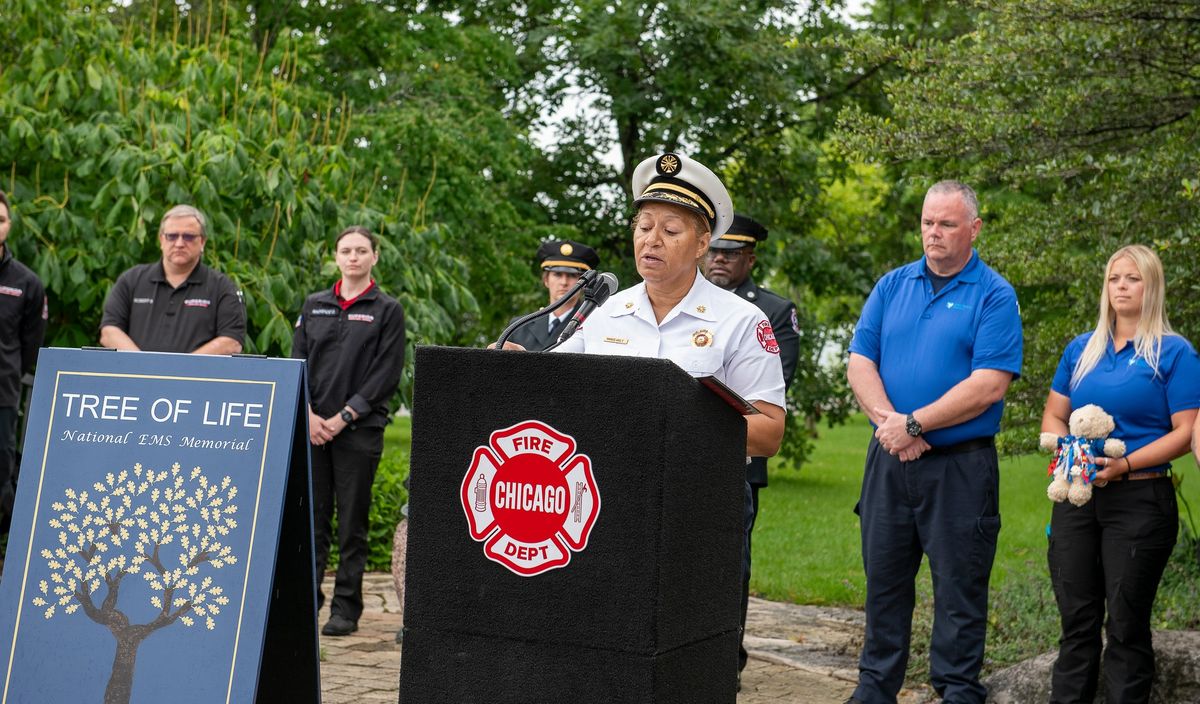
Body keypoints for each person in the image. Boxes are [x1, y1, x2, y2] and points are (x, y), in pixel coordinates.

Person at [845, 180, 1022, 704]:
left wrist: (916, 424)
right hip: (889, 462)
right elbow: (860, 362)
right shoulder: (892, 285)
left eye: (947, 223)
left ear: (974, 228)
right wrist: (894, 427)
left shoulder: (994, 294)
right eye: (927, 222)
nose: (934, 233)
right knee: (884, 584)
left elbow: (989, 383)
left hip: (960, 469)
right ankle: (874, 690)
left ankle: (957, 691)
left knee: (960, 591)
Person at [1041, 244, 1200, 704]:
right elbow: (1054, 415)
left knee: (1127, 629)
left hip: (1140, 500)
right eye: (1114, 279)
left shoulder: (1174, 353)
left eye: (1132, 278)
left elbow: (1185, 431)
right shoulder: (1081, 350)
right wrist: (1064, 448)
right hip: (1078, 497)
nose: (1121, 287)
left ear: (1152, 287)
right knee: (1076, 625)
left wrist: (1125, 463)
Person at [292, 225, 405, 637]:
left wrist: (344, 417)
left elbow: (386, 374)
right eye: (345, 250)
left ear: (375, 256)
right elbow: (298, 360)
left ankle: (345, 609)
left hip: (358, 431)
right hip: (313, 430)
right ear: (335, 257)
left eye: (361, 250)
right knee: (312, 522)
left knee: (350, 525)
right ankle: (308, 603)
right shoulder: (315, 304)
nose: (353, 257)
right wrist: (307, 415)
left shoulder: (387, 309)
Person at [704, 213, 800, 675]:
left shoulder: (772, 313)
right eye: (715, 251)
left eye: (731, 253)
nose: (720, 259)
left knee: (729, 564)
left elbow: (773, 386)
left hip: (737, 456)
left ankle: (728, 659)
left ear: (750, 258)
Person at [99, 204, 244, 354]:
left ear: (202, 242)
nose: (179, 243)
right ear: (161, 240)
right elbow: (109, 332)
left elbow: (231, 342)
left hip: (196, 377)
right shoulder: (131, 280)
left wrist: (178, 370)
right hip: (138, 376)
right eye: (172, 236)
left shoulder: (222, 287)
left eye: (188, 237)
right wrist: (143, 368)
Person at [0, 190, 47, 535]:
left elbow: (31, 344)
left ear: (9, 226)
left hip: (2, 393)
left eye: (0, 220)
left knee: (1, 473)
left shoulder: (27, 283)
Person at [505, 240, 600, 351]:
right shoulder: (519, 326)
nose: (564, 282)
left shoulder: (593, 325)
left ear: (585, 283)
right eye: (557, 274)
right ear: (546, 280)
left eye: (572, 275)